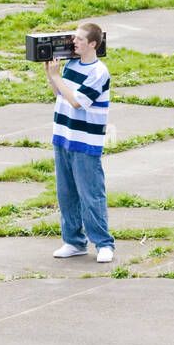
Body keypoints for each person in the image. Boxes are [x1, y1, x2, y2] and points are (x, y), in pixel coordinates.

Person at [45, 22, 114, 264]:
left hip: (85, 142)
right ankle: (74, 242)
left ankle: (104, 243)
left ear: (93, 44)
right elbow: (61, 95)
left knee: (91, 195)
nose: (75, 42)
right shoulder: (73, 65)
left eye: (80, 39)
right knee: (66, 194)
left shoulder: (98, 72)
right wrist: (51, 76)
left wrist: (56, 76)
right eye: (74, 38)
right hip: (63, 136)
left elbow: (77, 102)